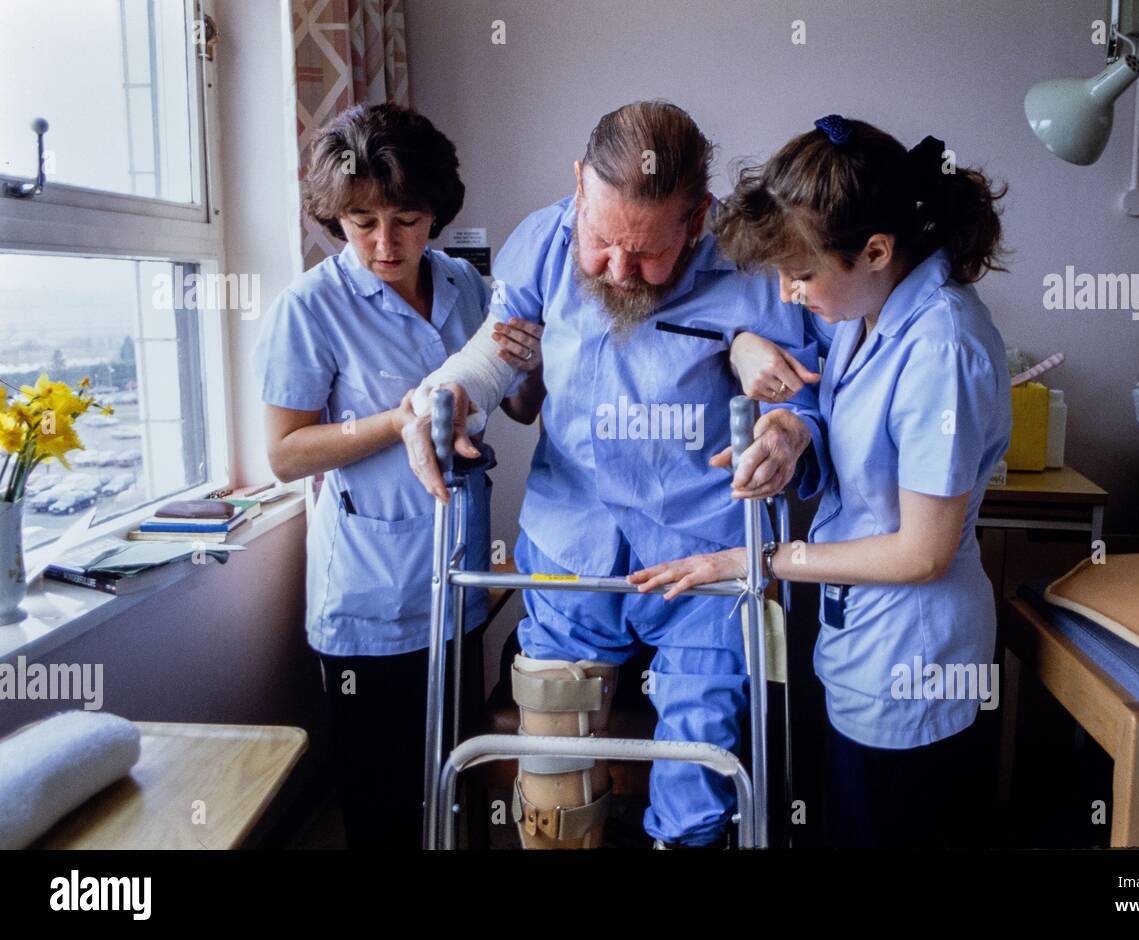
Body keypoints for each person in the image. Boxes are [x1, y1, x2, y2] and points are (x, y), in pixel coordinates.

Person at [397, 100, 827, 849]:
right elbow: (503, 349)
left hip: (702, 557)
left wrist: (787, 432)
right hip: (573, 538)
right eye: (602, 242)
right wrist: (451, 393)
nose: (620, 271)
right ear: (578, 188)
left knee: (698, 774)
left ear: (697, 218)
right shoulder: (543, 239)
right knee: (554, 777)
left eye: (647, 253)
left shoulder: (759, 266)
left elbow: (813, 402)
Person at [629, 115, 1013, 848]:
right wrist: (791, 431)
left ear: (876, 250)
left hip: (914, 653)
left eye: (801, 275)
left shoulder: (943, 348)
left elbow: (923, 552)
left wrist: (764, 563)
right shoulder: (866, 313)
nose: (788, 292)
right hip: (859, 637)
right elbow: (846, 421)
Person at [254, 103, 542, 848]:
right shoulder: (310, 309)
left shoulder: (469, 289)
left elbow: (516, 405)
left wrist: (534, 364)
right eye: (362, 222)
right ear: (335, 218)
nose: (386, 243)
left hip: (459, 584)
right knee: (385, 807)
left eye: (407, 219)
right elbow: (285, 453)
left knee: (455, 782)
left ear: (435, 212)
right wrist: (402, 419)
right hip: (369, 600)